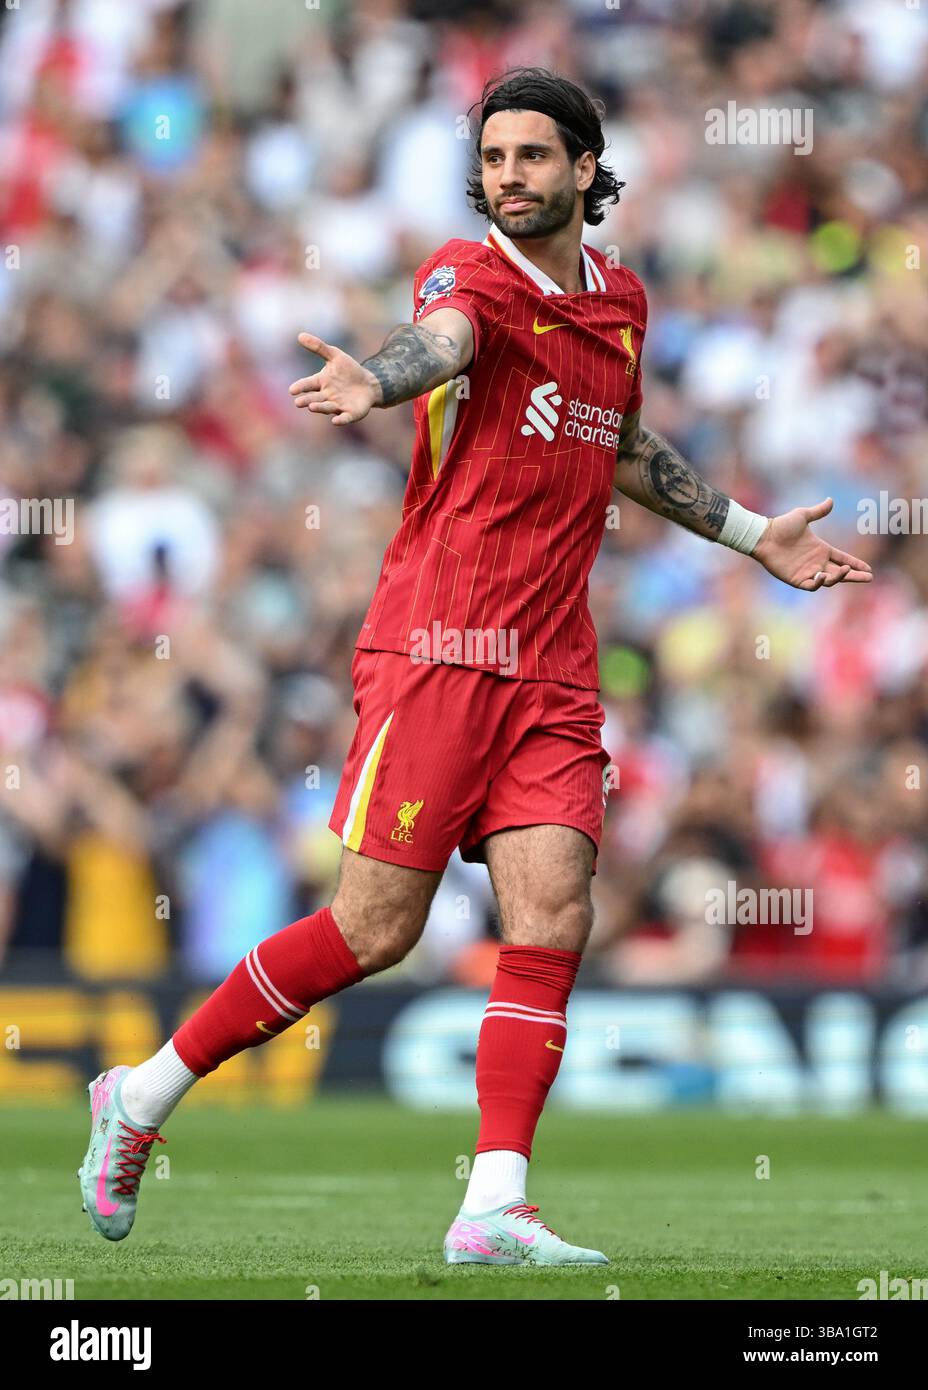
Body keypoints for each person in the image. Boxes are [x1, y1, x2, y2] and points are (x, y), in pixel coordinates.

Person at [78, 67, 872, 1266]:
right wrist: (377, 378)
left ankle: (492, 1201)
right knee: (372, 929)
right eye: (495, 157)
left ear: (587, 169)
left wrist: (755, 534)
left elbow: (615, 441)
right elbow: (439, 342)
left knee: (553, 909)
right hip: (437, 646)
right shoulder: (468, 275)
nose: (510, 177)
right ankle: (139, 1097)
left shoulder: (626, 302)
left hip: (552, 663)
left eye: (534, 157)